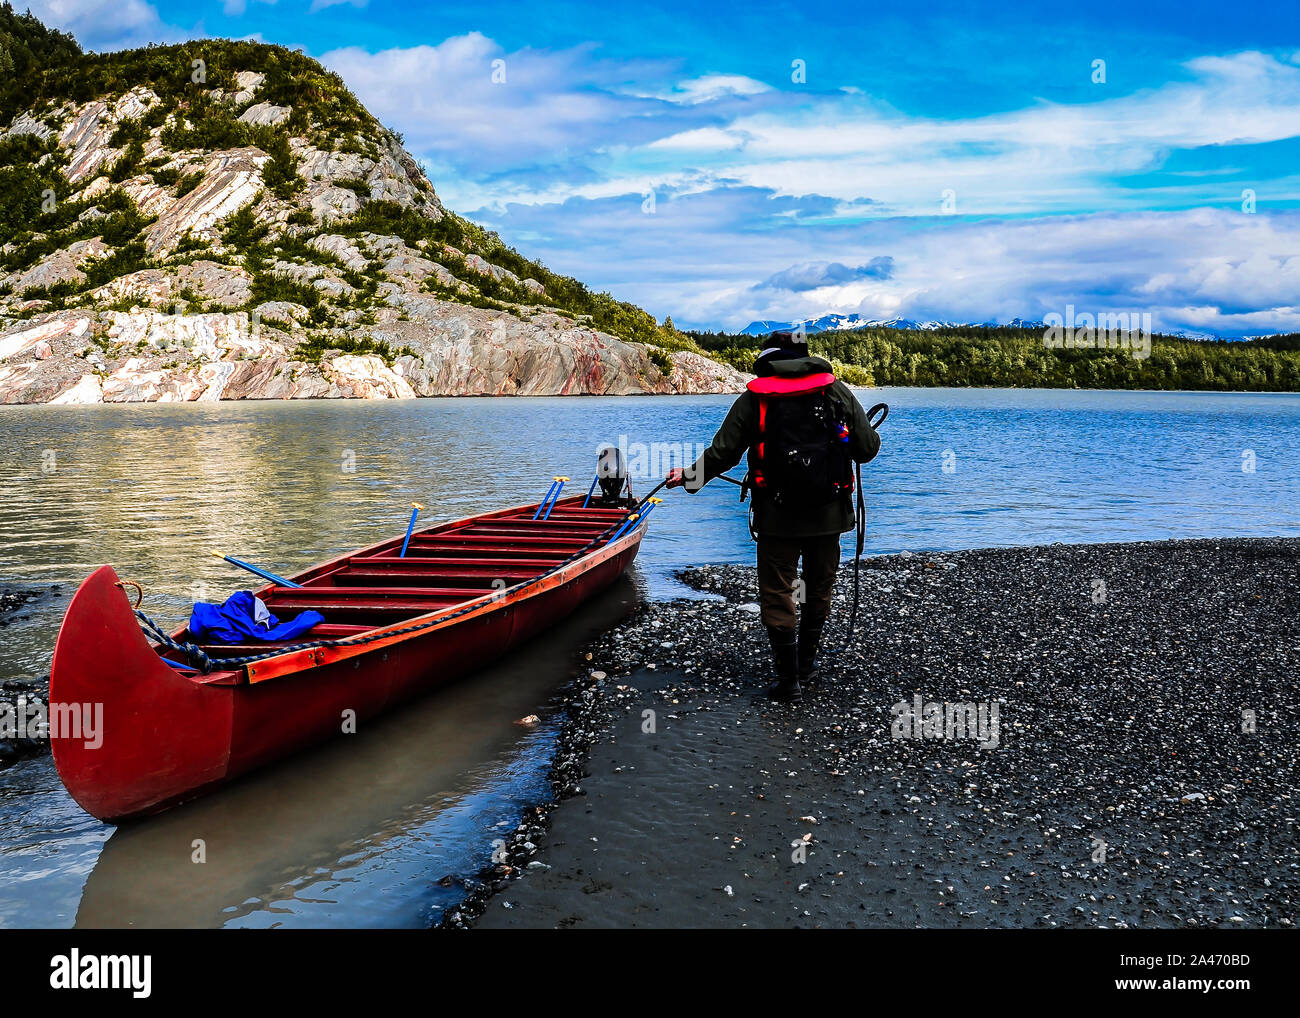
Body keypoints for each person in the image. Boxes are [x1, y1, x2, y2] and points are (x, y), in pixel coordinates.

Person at [665, 330, 881, 701]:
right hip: (828, 514)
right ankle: (807, 664)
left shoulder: (755, 398)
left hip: (776, 516)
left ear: (768, 359)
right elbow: (866, 450)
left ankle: (788, 682)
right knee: (818, 587)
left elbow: (724, 454)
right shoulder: (836, 391)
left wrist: (689, 478)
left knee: (778, 592)